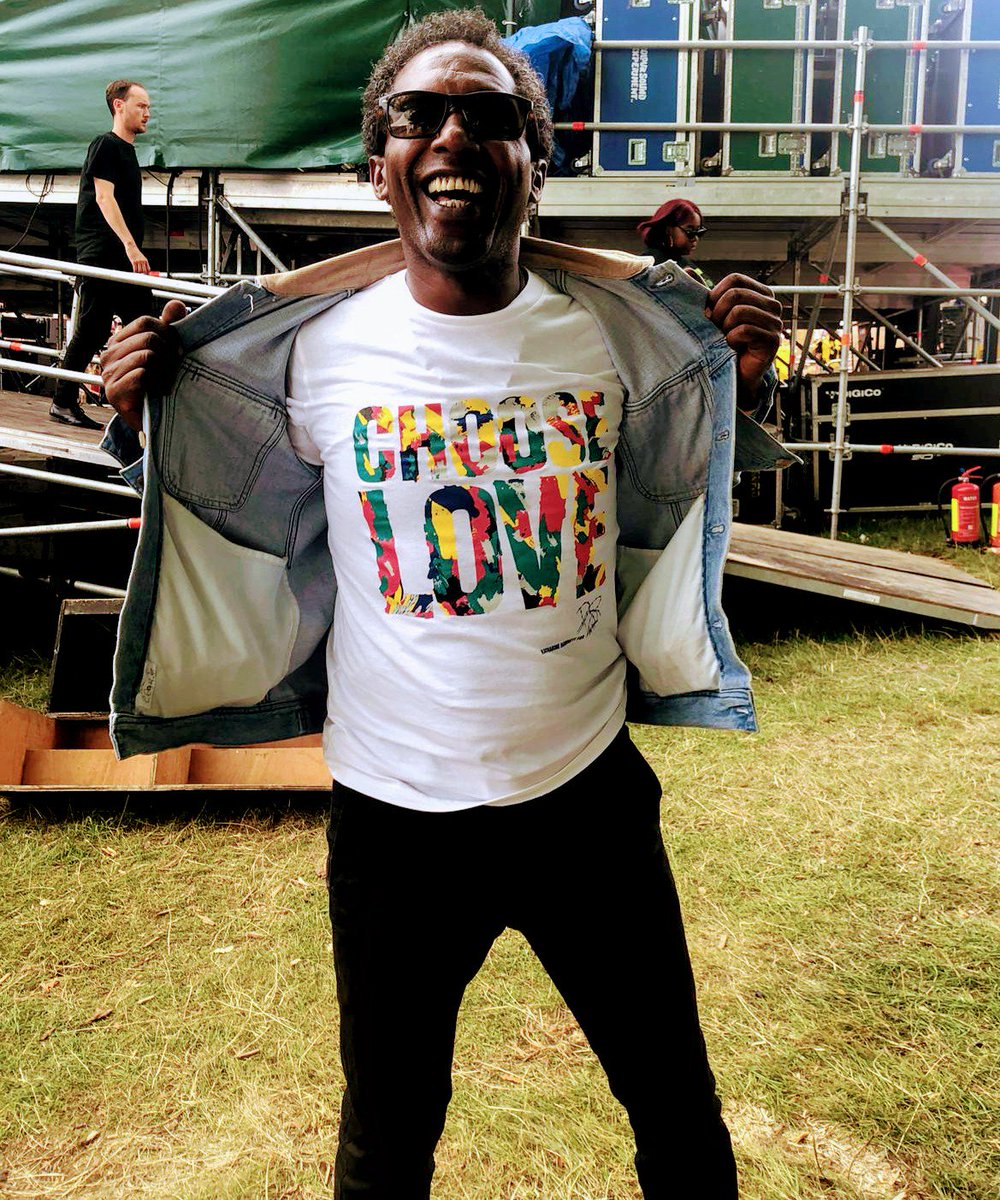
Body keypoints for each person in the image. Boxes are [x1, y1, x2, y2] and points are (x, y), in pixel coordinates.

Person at [100, 9, 785, 1197]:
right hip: (394, 827)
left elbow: (691, 476)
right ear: (380, 168)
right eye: (420, 115)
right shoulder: (311, 358)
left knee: (680, 1115)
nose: (453, 134)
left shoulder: (616, 339)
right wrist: (139, 418)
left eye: (491, 116)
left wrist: (738, 375)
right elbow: (230, 500)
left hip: (587, 808)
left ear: (536, 153)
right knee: (387, 1143)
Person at [50, 79, 153, 429]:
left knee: (145, 324)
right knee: (94, 329)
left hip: (120, 257)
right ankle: (62, 402)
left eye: (149, 107)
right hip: (104, 255)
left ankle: (150, 410)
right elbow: (104, 198)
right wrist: (131, 246)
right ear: (119, 106)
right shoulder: (105, 145)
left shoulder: (127, 150)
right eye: (141, 106)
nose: (148, 113)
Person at [636, 197, 711, 284]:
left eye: (699, 232)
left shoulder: (681, 261)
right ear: (668, 230)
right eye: (690, 231)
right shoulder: (650, 265)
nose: (695, 238)